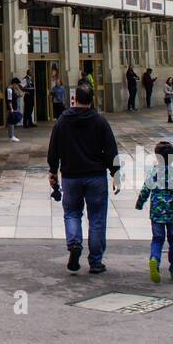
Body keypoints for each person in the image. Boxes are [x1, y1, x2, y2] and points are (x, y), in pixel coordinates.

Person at [48, 83, 120, 273]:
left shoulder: (63, 121)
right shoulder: (99, 121)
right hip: (95, 176)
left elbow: (53, 147)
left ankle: (74, 244)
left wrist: (53, 171)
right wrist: (115, 173)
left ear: (74, 99)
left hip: (71, 176)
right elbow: (111, 149)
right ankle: (96, 262)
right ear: (92, 100)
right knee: (96, 218)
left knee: (72, 213)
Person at [135, 140, 173, 282]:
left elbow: (145, 191)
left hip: (156, 213)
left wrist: (140, 204)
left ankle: (154, 259)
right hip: (172, 215)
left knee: (157, 239)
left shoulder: (153, 173)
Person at [4, 77, 23, 142]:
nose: (17, 86)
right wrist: (11, 109)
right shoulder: (9, 90)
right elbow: (9, 100)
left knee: (11, 122)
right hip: (12, 108)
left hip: (13, 108)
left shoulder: (12, 89)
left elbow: (20, 94)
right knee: (12, 122)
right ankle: (11, 136)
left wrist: (18, 89)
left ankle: (11, 135)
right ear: (14, 83)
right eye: (17, 84)